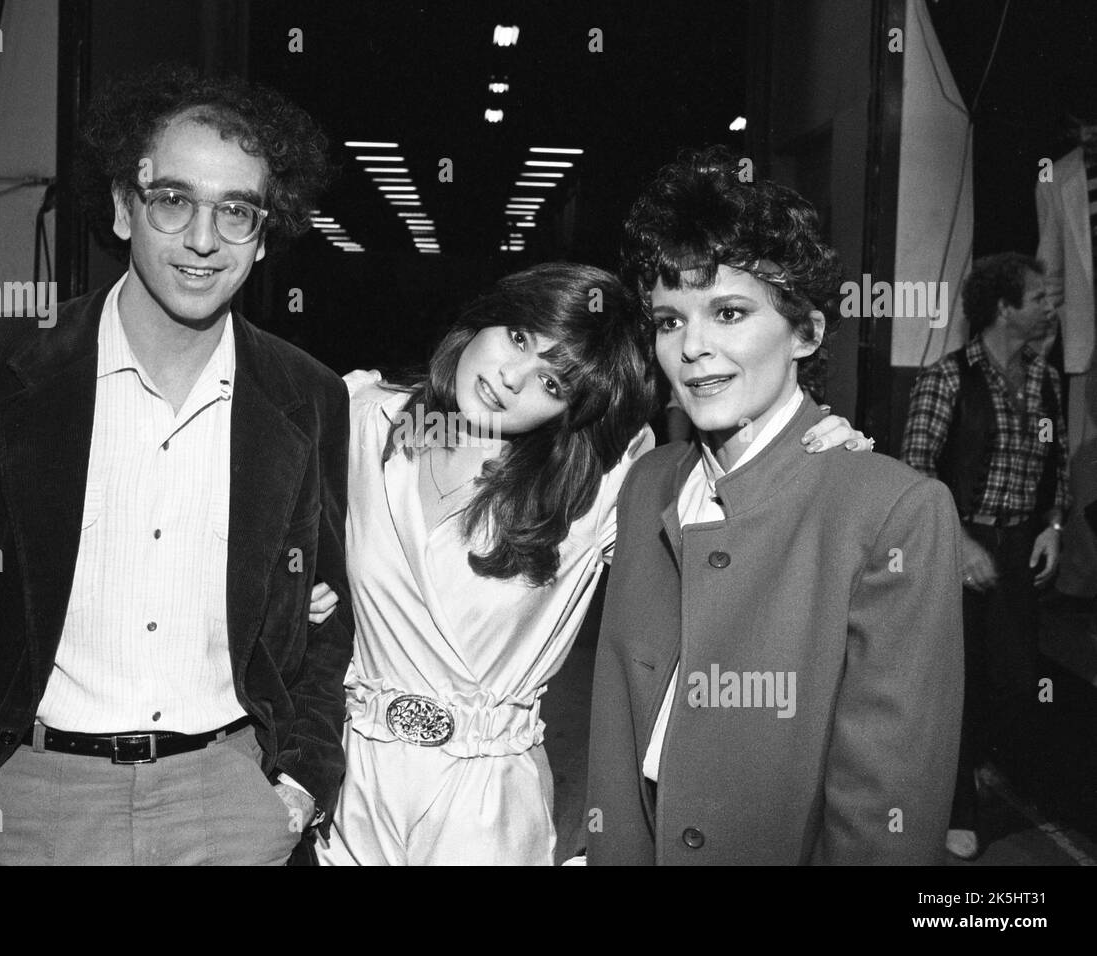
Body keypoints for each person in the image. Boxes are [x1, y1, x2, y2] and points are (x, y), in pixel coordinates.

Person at [0, 64, 353, 865]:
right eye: (173, 200)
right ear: (123, 206)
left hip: (230, 804)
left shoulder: (308, 396)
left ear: (265, 231)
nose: (203, 238)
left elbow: (325, 624)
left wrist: (298, 787)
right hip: (26, 799)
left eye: (237, 210)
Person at [308, 261, 869, 865]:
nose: (509, 377)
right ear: (488, 316)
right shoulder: (363, 416)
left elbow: (729, 553)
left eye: (554, 384)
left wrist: (804, 457)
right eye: (519, 337)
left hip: (482, 808)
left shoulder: (596, 485)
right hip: (351, 785)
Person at [585, 147, 964, 865]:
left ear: (807, 333)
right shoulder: (648, 485)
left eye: (729, 312)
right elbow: (613, 729)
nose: (693, 347)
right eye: (669, 320)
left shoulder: (894, 510)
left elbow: (888, 801)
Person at [901, 252, 1069, 860]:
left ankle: (974, 767)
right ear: (1003, 308)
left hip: (1021, 545)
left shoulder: (1046, 381)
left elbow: (1059, 464)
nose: (1050, 308)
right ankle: (956, 804)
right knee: (960, 686)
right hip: (958, 543)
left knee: (1018, 684)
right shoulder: (947, 379)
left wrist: (1052, 525)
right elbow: (917, 473)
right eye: (1038, 298)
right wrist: (960, 542)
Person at [1034, 113, 1096, 600]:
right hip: (1087, 348)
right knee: (1085, 469)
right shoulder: (1057, 176)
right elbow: (1050, 272)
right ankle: (1080, 581)